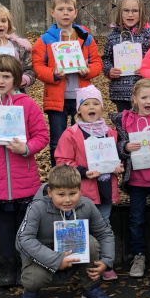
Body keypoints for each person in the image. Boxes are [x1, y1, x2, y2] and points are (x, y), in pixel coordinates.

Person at [0, 53, 49, 287]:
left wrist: (26, 148)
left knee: (26, 224)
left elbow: (42, 136)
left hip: (24, 176)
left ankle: (27, 262)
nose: (1, 81)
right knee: (5, 226)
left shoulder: (27, 104)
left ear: (16, 78)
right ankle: (9, 263)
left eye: (6, 76)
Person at [16, 164, 116, 298]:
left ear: (80, 191)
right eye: (61, 194)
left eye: (73, 193)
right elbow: (23, 239)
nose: (67, 200)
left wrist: (106, 260)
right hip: (44, 257)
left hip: (74, 253)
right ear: (50, 192)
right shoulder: (37, 208)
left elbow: (104, 232)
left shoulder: (87, 205)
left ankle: (91, 288)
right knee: (33, 278)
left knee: (91, 242)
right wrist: (56, 259)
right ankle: (31, 290)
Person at [111, 78, 150, 278]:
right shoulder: (125, 120)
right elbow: (116, 145)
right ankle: (138, 255)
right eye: (144, 97)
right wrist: (125, 148)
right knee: (135, 219)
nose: (148, 101)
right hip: (136, 180)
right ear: (134, 98)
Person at [31, 0, 103, 163]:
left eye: (69, 9)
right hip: (57, 98)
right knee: (58, 140)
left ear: (76, 13)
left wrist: (88, 70)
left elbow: (98, 63)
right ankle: (59, 176)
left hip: (81, 97)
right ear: (52, 12)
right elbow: (38, 66)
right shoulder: (45, 40)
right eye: (61, 9)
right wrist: (53, 74)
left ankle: (80, 172)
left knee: (81, 137)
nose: (65, 13)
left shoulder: (85, 38)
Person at [54, 85, 123, 234]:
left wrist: (119, 166)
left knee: (104, 223)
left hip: (106, 189)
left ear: (102, 108)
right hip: (84, 191)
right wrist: (83, 172)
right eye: (86, 104)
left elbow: (117, 156)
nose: (91, 107)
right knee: (81, 226)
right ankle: (85, 256)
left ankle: (104, 256)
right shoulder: (71, 134)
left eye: (96, 103)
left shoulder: (110, 132)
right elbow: (62, 160)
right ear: (78, 109)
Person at [101, 0, 150, 113]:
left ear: (142, 13)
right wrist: (109, 71)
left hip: (145, 91)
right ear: (120, 12)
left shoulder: (149, 36)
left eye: (135, 11)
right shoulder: (113, 36)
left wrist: (146, 69)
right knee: (124, 125)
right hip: (121, 90)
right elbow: (105, 58)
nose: (130, 14)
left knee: (145, 123)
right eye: (126, 11)